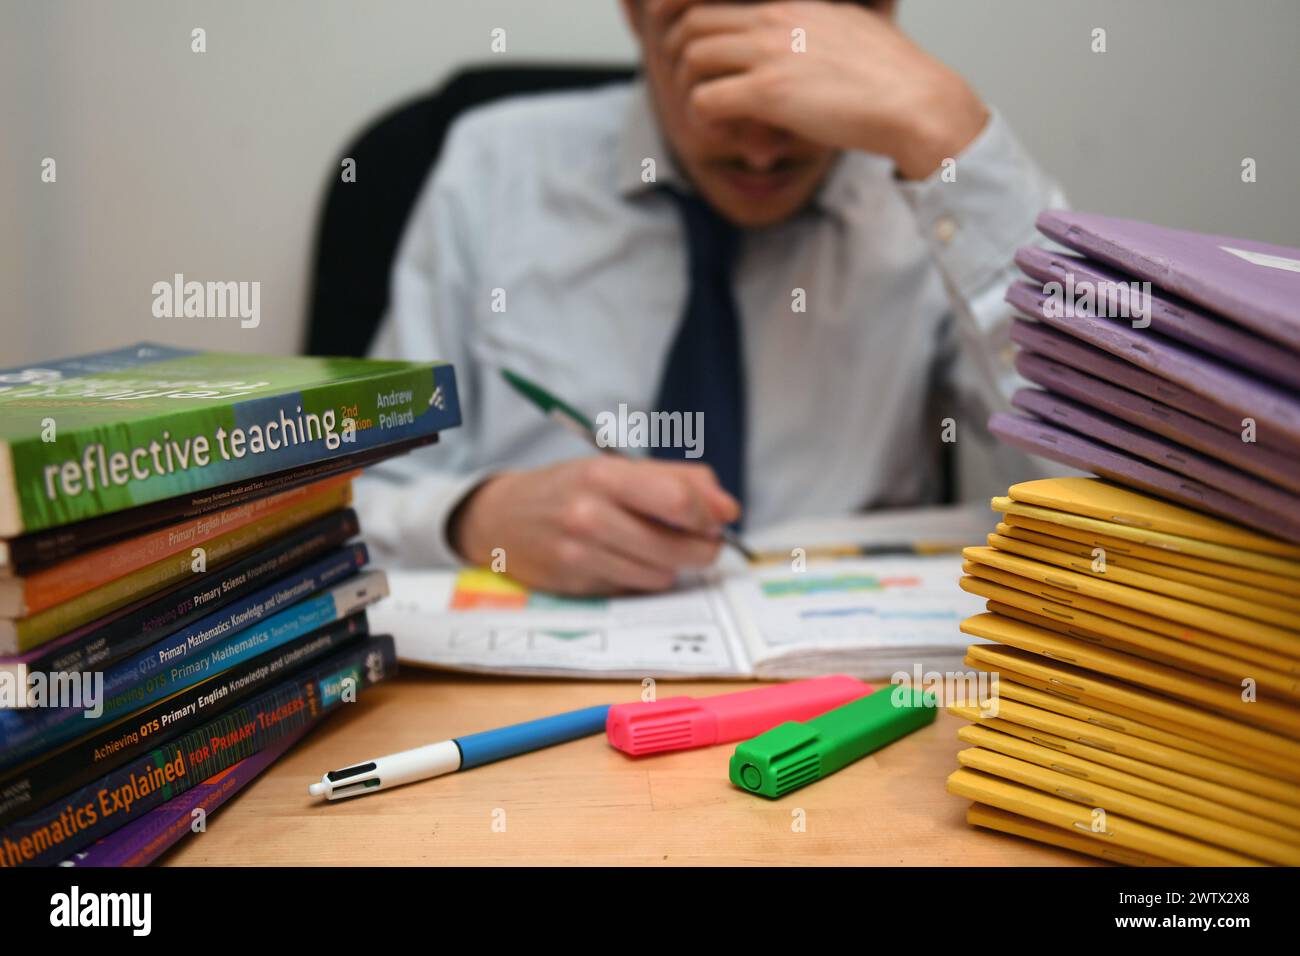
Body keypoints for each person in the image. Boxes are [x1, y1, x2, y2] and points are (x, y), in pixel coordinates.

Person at [359, 0, 1065, 594]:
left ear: (876, 22)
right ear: (639, 12)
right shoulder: (494, 170)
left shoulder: (934, 198)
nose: (761, 152)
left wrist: (953, 138)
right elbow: (343, 511)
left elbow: (1108, 506)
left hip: (854, 697)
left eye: (794, 81)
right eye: (715, 72)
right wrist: (473, 518)